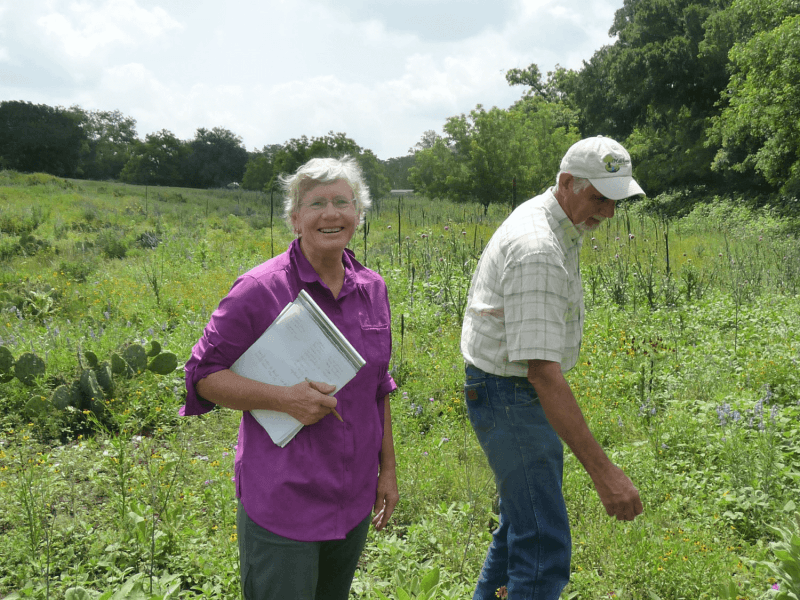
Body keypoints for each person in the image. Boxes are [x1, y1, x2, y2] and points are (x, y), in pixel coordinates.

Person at [181, 156, 398, 600]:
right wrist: (284, 398)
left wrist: (388, 471)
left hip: (352, 497)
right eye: (316, 203)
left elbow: (378, 387)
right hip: (284, 501)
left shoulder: (372, 288)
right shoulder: (259, 288)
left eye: (342, 202)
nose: (331, 213)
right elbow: (202, 376)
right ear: (295, 218)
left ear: (358, 213)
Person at [461, 136, 645, 599]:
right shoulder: (538, 248)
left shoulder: (556, 220)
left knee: (521, 527)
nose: (608, 212)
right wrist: (606, 474)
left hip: (508, 391)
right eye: (598, 198)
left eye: (616, 200)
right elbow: (542, 372)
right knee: (543, 545)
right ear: (566, 183)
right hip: (511, 396)